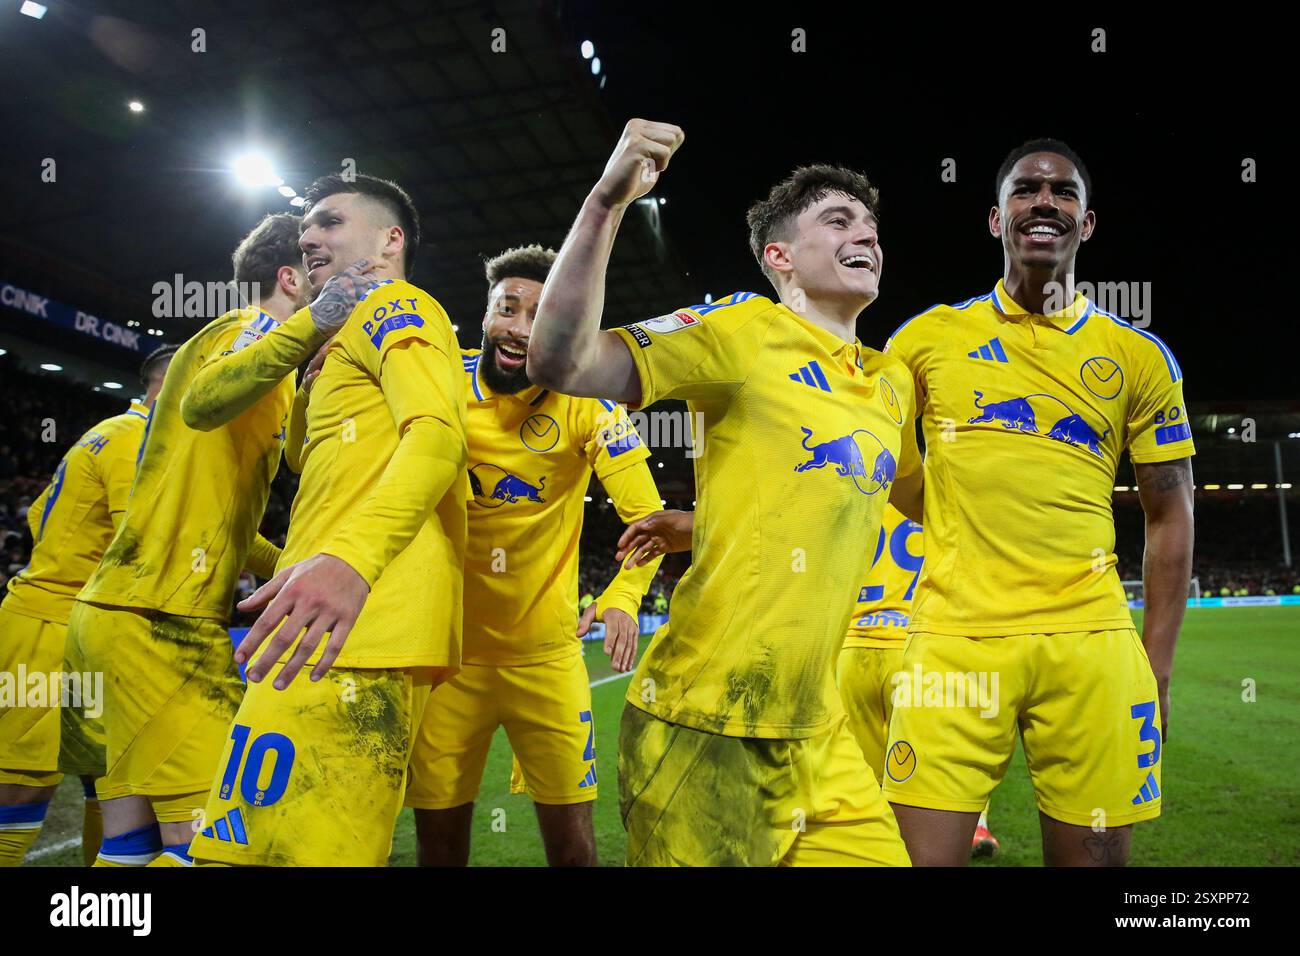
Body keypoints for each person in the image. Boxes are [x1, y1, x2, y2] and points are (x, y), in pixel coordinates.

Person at [528, 120, 920, 865]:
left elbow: (906, 504)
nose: (866, 233)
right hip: (705, 720)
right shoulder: (744, 328)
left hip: (821, 730)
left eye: (870, 224)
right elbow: (561, 360)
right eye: (838, 221)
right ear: (780, 257)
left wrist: (703, 521)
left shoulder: (890, 381)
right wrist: (607, 202)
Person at [882, 139, 1195, 866]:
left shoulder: (1139, 356)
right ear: (997, 219)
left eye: (1064, 192)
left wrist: (1157, 665)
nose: (1044, 202)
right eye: (1025, 189)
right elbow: (885, 470)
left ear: (1087, 224)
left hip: (1091, 642)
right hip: (952, 642)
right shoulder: (924, 340)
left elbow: (1169, 512)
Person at [183, 173, 468, 867]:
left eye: (331, 222)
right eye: (307, 227)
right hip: (325, 622)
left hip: (359, 624)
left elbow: (437, 439)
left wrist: (351, 562)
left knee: (278, 855)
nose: (308, 236)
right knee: (248, 852)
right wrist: (313, 379)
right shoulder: (340, 337)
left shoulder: (396, 303)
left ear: (390, 240)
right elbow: (305, 462)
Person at [407, 244, 663, 867]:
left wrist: (623, 597)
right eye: (508, 308)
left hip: (547, 660)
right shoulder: (437, 379)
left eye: (540, 315)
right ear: (485, 314)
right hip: (444, 659)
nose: (520, 328)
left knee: (574, 852)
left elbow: (649, 519)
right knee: (438, 846)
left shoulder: (588, 401)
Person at [70, 215, 308, 867]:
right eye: (319, 270)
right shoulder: (250, 330)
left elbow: (232, 518)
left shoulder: (269, 366)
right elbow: (207, 400)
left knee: (131, 841)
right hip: (161, 620)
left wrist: (289, 566)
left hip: (120, 614)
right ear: (290, 279)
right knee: (215, 840)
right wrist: (317, 323)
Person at [0, 345, 174, 866]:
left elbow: (38, 515)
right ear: (175, 383)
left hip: (79, 628)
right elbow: (135, 541)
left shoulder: (105, 433)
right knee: (22, 787)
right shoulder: (136, 439)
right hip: (49, 630)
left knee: (112, 782)